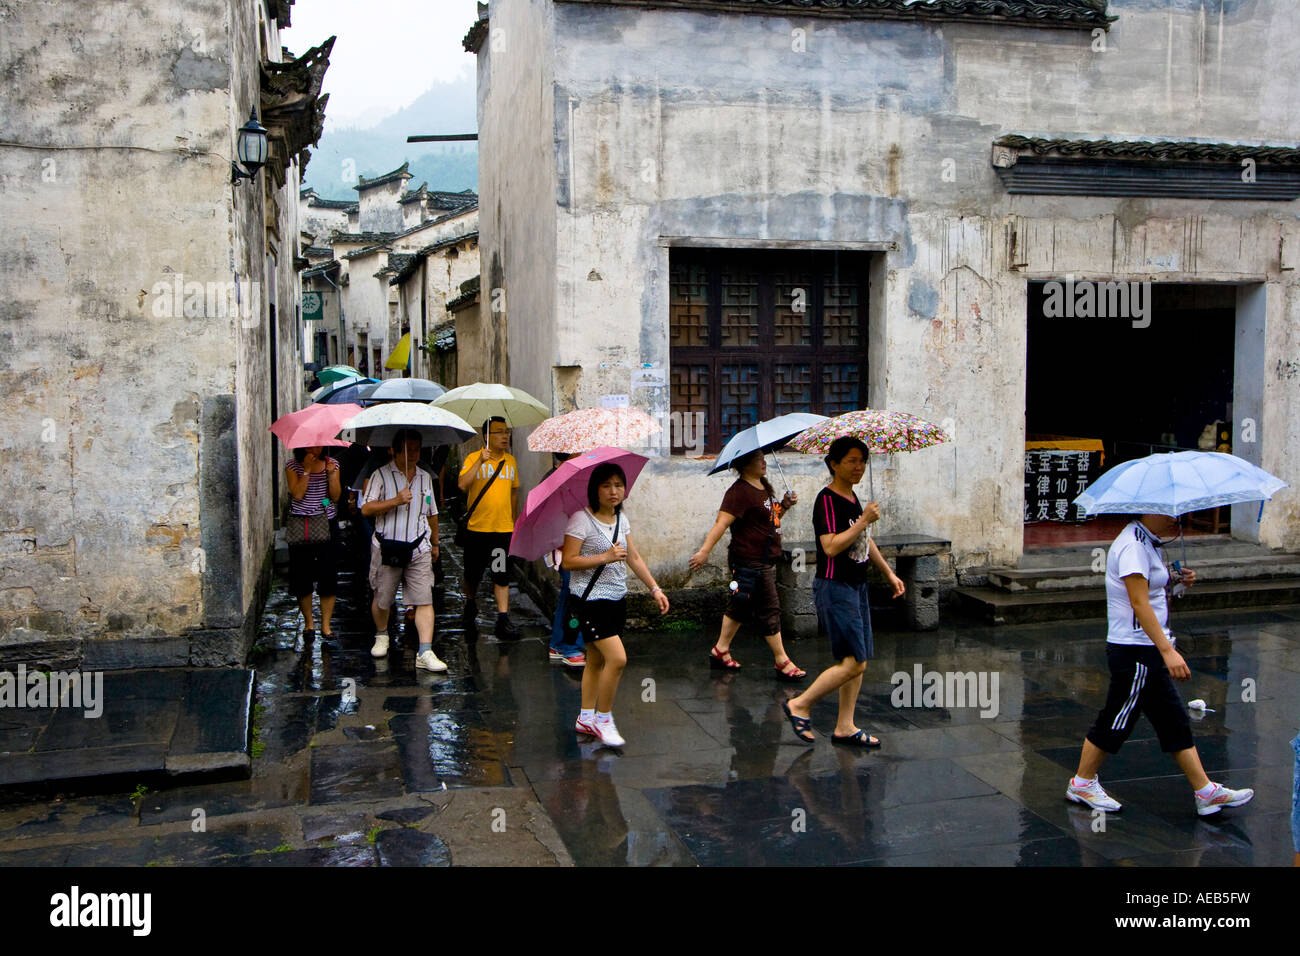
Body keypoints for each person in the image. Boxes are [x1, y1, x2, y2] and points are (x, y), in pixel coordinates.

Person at [1065, 514, 1254, 816]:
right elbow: (1138, 603)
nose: (1174, 520)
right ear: (1148, 511)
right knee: (1117, 717)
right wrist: (1168, 651)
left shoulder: (1147, 543)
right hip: (1135, 652)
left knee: (1173, 720)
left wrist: (1178, 582)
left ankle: (1205, 792)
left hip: (1147, 649)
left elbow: (1152, 595)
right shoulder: (1132, 547)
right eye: (1167, 514)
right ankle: (1082, 782)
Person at [781, 437, 904, 747]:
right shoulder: (827, 499)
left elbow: (864, 541)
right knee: (854, 662)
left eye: (862, 460)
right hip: (835, 587)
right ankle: (800, 704)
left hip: (856, 585)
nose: (858, 467)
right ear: (834, 464)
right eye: (851, 460)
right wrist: (863, 520)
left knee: (858, 658)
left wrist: (888, 573)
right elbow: (831, 546)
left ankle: (845, 726)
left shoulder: (852, 498)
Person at [561, 463, 669, 747]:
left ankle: (585, 717)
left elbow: (633, 557)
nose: (613, 491)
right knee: (618, 659)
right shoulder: (580, 520)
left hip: (615, 599)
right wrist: (603, 557)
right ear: (595, 489)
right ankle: (603, 719)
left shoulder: (622, 518)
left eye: (618, 485)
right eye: (606, 485)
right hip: (589, 601)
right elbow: (568, 561)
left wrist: (654, 588)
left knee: (596, 660)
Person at [689, 449, 804, 680]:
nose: (764, 462)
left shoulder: (764, 486)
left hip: (762, 559)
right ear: (745, 464)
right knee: (770, 607)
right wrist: (704, 551)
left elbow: (770, 516)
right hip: (749, 560)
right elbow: (721, 523)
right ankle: (782, 661)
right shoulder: (738, 492)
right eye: (758, 459)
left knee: (740, 604)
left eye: (763, 458)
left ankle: (720, 650)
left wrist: (784, 504)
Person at [359, 429, 445, 673]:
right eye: (409, 448)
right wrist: (395, 501)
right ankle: (382, 634)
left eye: (418, 448)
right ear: (394, 450)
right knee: (382, 597)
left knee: (424, 598)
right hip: (387, 546)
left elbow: (432, 512)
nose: (415, 453)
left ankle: (425, 650)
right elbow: (366, 508)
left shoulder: (424, 477)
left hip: (418, 546)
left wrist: (435, 542)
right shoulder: (380, 475)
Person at [457, 416, 521, 638]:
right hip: (477, 531)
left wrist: (512, 521)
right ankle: (470, 602)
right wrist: (480, 462)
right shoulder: (474, 458)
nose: (505, 436)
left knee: (500, 574)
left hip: (501, 532)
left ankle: (503, 619)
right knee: (472, 575)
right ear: (486, 437)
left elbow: (514, 492)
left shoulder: (511, 461)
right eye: (499, 432)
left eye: (506, 432)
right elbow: (463, 484)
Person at [285, 445, 342, 638]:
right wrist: (307, 471)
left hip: (326, 524)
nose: (315, 448)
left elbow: (334, 497)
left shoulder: (332, 464)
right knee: (302, 575)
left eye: (318, 444)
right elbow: (298, 495)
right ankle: (309, 624)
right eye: (310, 444)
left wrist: (331, 476)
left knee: (328, 574)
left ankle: (326, 625)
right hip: (301, 526)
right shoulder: (292, 466)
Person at [546, 453, 585, 668]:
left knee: (568, 596)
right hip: (566, 548)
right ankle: (571, 647)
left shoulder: (578, 476)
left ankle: (558, 643)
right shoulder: (557, 480)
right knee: (575, 596)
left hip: (575, 546)